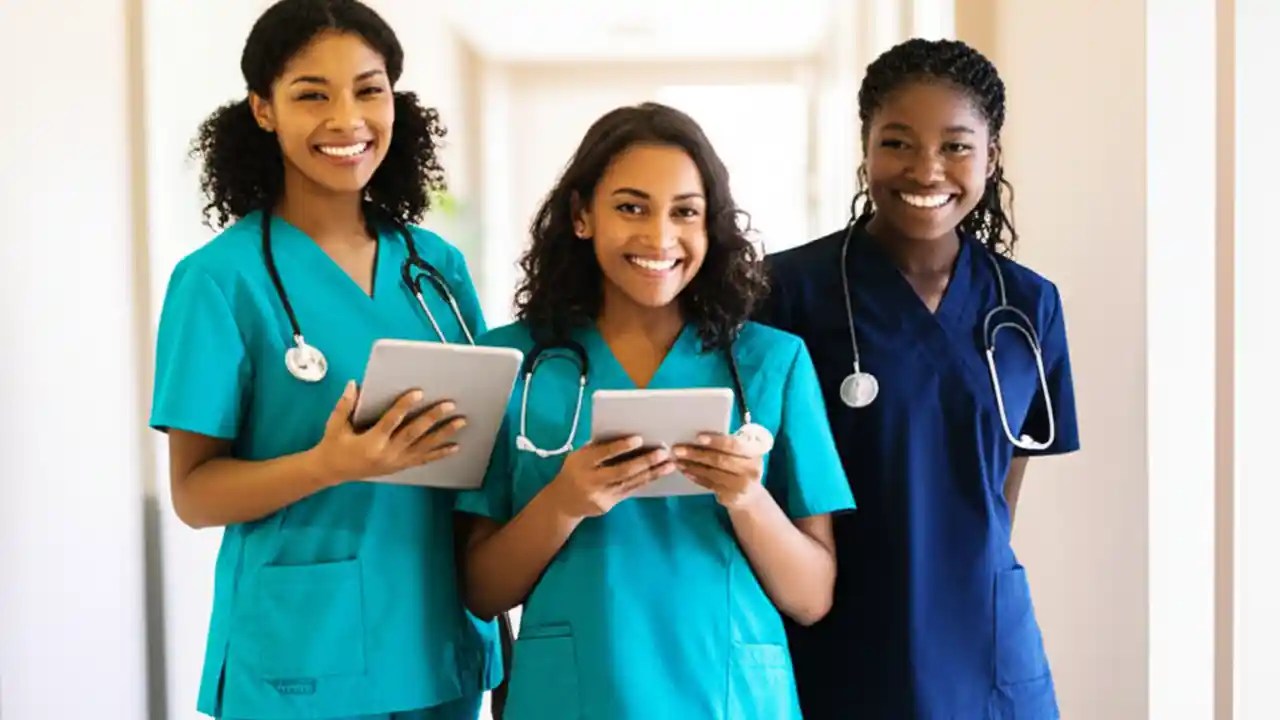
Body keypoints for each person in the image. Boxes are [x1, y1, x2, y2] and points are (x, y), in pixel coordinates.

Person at [148, 1, 503, 718]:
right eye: (313, 94)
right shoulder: (220, 280)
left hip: (441, 634)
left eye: (369, 90)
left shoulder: (434, 267)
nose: (348, 120)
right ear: (263, 109)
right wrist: (330, 464)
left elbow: (476, 445)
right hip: (303, 649)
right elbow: (194, 493)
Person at [452, 102, 855, 719]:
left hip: (728, 694)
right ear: (582, 216)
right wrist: (564, 502)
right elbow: (481, 591)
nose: (660, 237)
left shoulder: (772, 363)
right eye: (631, 207)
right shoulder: (509, 361)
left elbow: (811, 597)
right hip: (576, 693)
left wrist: (748, 498)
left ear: (710, 227)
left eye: (685, 213)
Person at [759, 38, 1080, 719]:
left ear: (991, 159)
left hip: (987, 645)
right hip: (842, 635)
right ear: (865, 150)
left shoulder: (1028, 305)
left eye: (957, 146)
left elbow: (1002, 486)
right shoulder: (788, 292)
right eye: (898, 142)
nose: (926, 168)